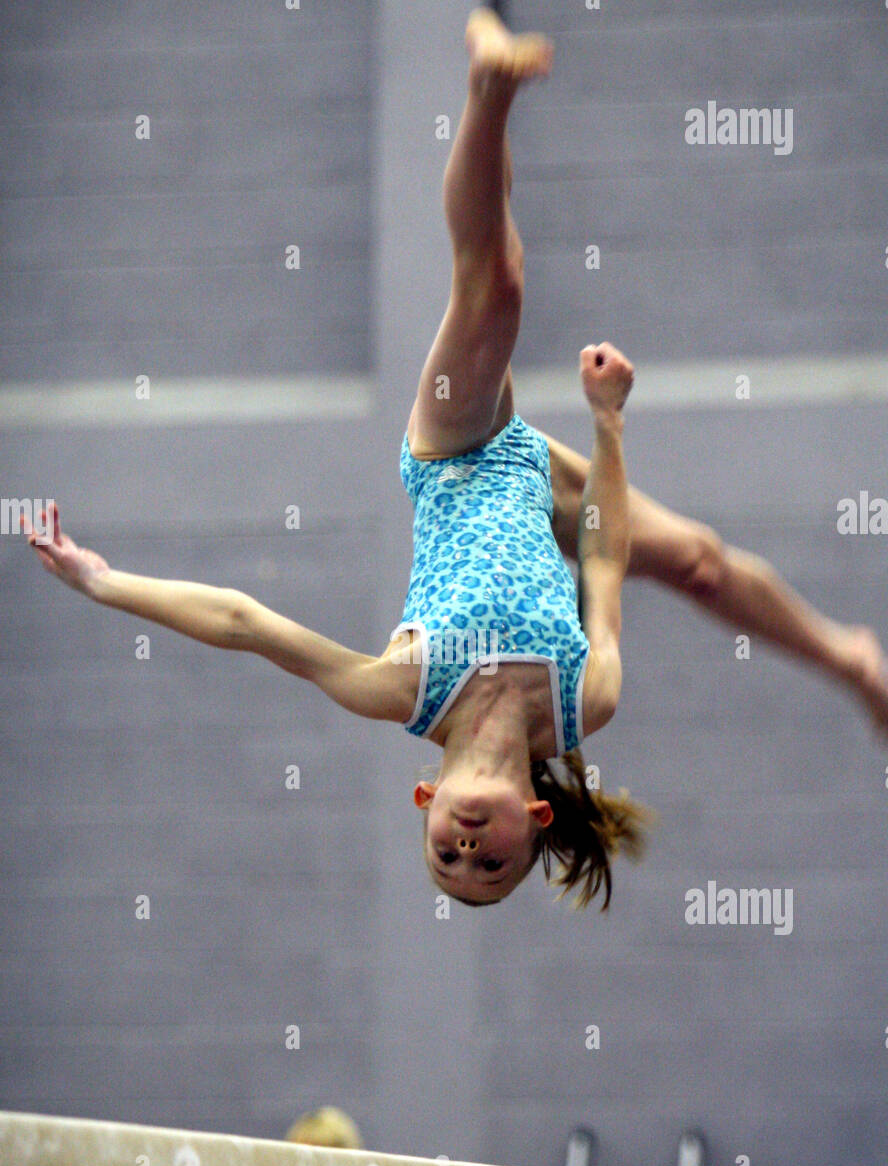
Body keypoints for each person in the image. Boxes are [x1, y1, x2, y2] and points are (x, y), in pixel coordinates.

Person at [23, 9, 888, 911]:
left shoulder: (403, 691)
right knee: (702, 564)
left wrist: (103, 583)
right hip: (541, 477)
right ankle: (852, 655)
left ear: (426, 801)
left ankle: (490, 89)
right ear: (536, 818)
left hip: (454, 448)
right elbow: (601, 555)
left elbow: (244, 621)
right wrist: (608, 425)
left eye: (445, 858)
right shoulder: (583, 702)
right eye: (491, 864)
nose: (466, 851)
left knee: (497, 287)